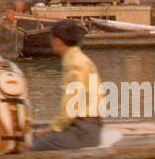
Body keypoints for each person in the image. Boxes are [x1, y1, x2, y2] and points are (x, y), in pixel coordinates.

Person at [31, 20, 103, 150]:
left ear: (58, 41)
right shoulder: (81, 59)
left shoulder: (75, 64)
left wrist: (53, 129)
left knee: (35, 146)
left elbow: (70, 107)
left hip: (82, 131)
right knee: (37, 139)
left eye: (52, 39)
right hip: (87, 127)